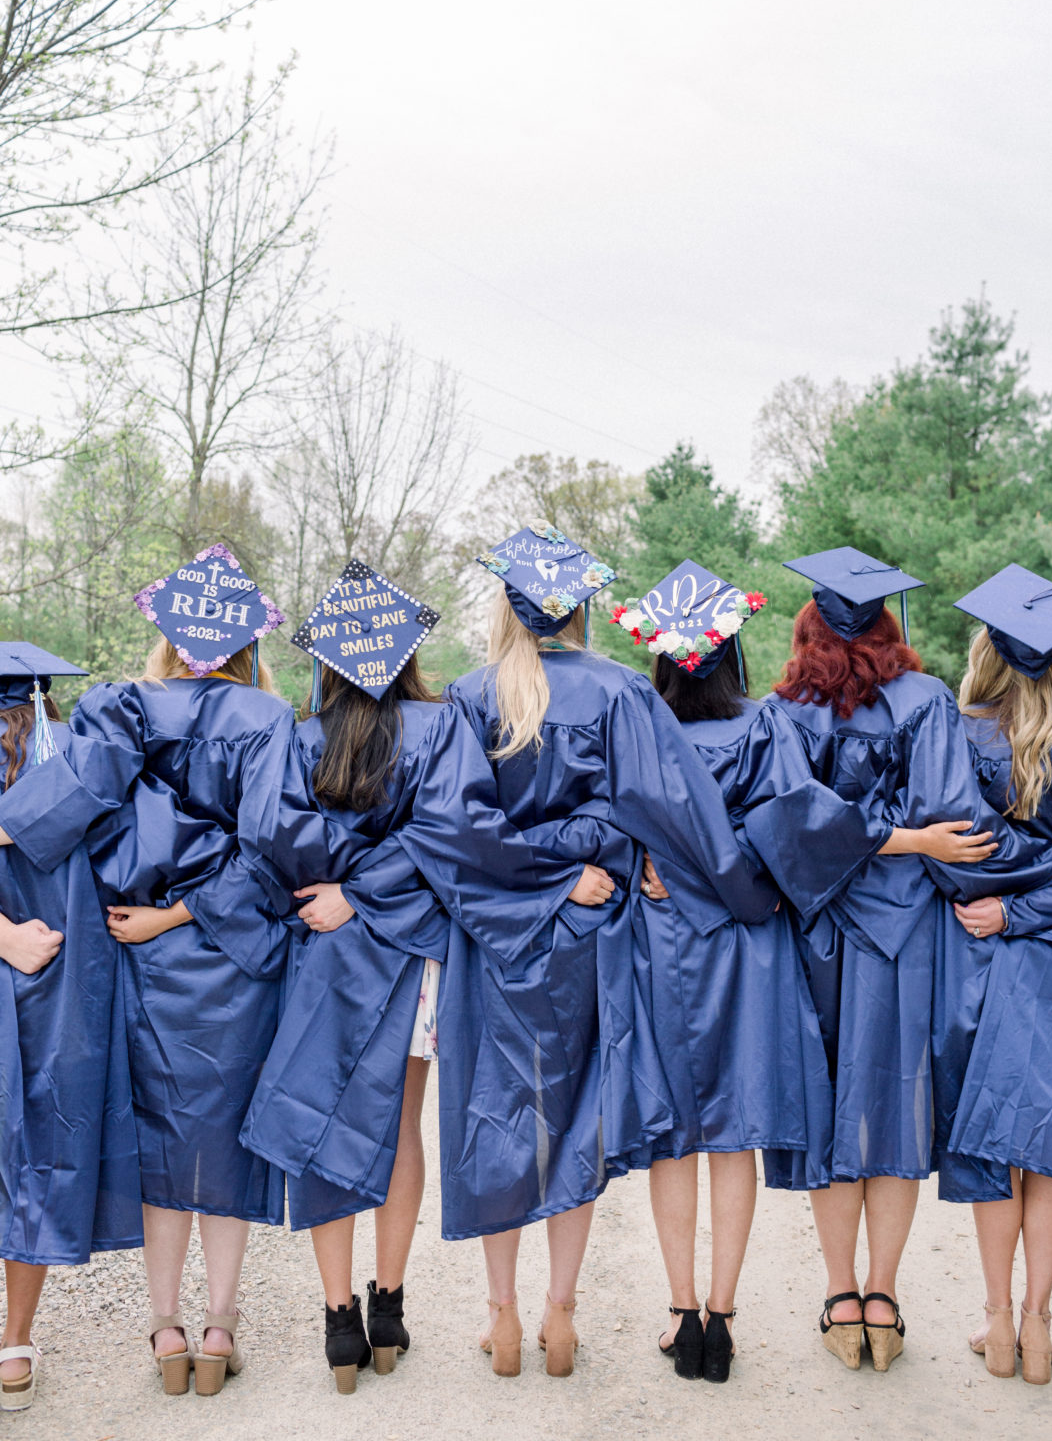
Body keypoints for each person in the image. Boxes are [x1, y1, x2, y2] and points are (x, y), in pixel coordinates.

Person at [232, 559, 615, 1391]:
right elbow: (457, 837)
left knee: (327, 1120)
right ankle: (389, 1305)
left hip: (334, 960)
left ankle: (339, 1319)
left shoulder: (296, 738)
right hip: (422, 956)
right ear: (406, 654)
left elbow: (266, 836)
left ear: (326, 661)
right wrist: (376, 889)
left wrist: (343, 890)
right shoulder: (442, 728)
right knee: (402, 1128)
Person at [443, 523, 792, 1379]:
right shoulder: (621, 693)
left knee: (497, 1111)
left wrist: (540, 875)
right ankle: (562, 1312)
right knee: (572, 1121)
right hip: (590, 934)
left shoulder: (468, 694)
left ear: (507, 610)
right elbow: (672, 816)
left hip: (494, 936)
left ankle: (504, 1316)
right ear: (583, 610)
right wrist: (745, 892)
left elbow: (456, 829)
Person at [744, 547, 1052, 1373]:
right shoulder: (925, 701)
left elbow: (785, 828)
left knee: (825, 1103)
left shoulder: (780, 712)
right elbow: (951, 831)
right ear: (891, 625)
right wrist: (1038, 868)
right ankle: (884, 1296)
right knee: (892, 1100)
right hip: (905, 930)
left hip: (818, 928)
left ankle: (840, 1290)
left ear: (806, 626)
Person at [0, 546, 294, 1397]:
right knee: (227, 1140)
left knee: (163, 1142)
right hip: (233, 956)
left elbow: (70, 816)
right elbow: (271, 846)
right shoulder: (268, 720)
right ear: (247, 644)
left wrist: (160, 911)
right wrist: (193, 907)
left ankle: (163, 1324)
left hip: (141, 950)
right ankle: (217, 1324)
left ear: (166, 633)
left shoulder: (112, 708)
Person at [0, 645, 143, 1413]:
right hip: (66, 989)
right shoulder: (87, 767)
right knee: (39, 1158)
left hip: (44, 978)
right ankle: (14, 1343)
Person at [942, 564, 1052, 1383]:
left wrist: (1003, 907)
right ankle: (1035, 1325)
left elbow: (954, 860)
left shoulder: (958, 735)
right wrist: (1046, 882)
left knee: (990, 1146)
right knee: (1051, 1149)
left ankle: (993, 1316)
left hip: (981, 965)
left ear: (985, 652)